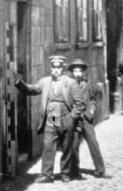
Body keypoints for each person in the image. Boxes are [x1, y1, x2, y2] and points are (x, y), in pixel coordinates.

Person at [15, 55, 77, 183]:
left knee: (66, 146)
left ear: (63, 68)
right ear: (50, 68)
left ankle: (65, 173)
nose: (56, 70)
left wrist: (72, 117)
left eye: (58, 67)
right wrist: (18, 83)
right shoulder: (45, 81)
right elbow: (31, 90)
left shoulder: (70, 82)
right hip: (52, 115)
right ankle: (47, 174)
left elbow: (80, 104)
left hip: (66, 116)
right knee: (48, 144)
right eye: (53, 67)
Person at [64, 59, 106, 178]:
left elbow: (92, 99)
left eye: (80, 71)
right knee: (74, 145)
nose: (78, 74)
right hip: (75, 120)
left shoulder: (87, 85)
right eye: (75, 71)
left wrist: (92, 110)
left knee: (93, 143)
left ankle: (100, 169)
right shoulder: (69, 87)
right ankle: (74, 171)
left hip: (86, 119)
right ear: (72, 72)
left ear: (83, 72)